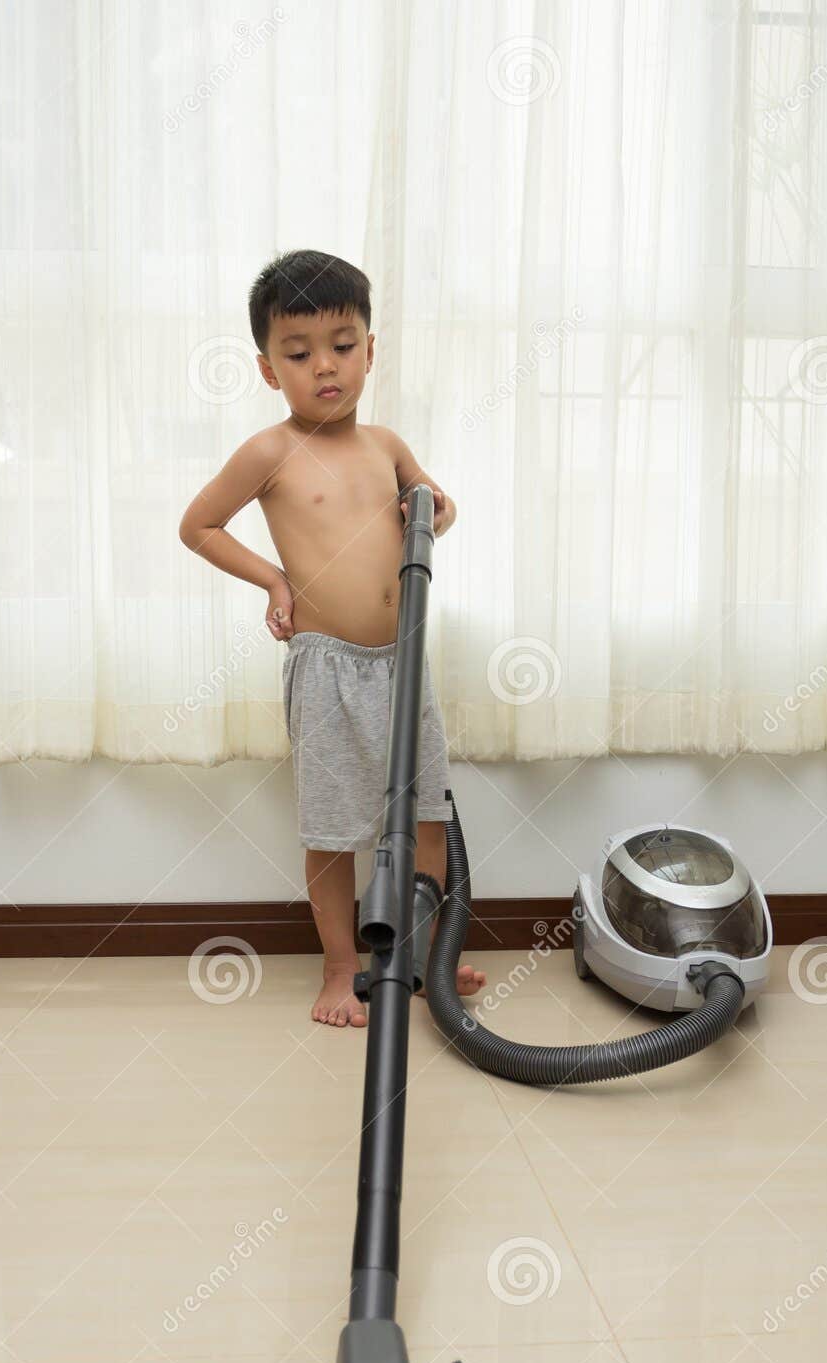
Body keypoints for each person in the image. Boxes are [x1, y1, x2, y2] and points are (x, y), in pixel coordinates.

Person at [179, 249, 486, 1027]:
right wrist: (276, 581)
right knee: (334, 824)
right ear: (266, 367)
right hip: (328, 667)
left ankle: (419, 952)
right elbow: (199, 526)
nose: (325, 367)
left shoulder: (384, 444)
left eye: (343, 347)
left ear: (370, 351)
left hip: (403, 658)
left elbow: (435, 506)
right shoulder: (270, 452)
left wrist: (435, 512)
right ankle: (341, 965)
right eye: (299, 352)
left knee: (423, 815)